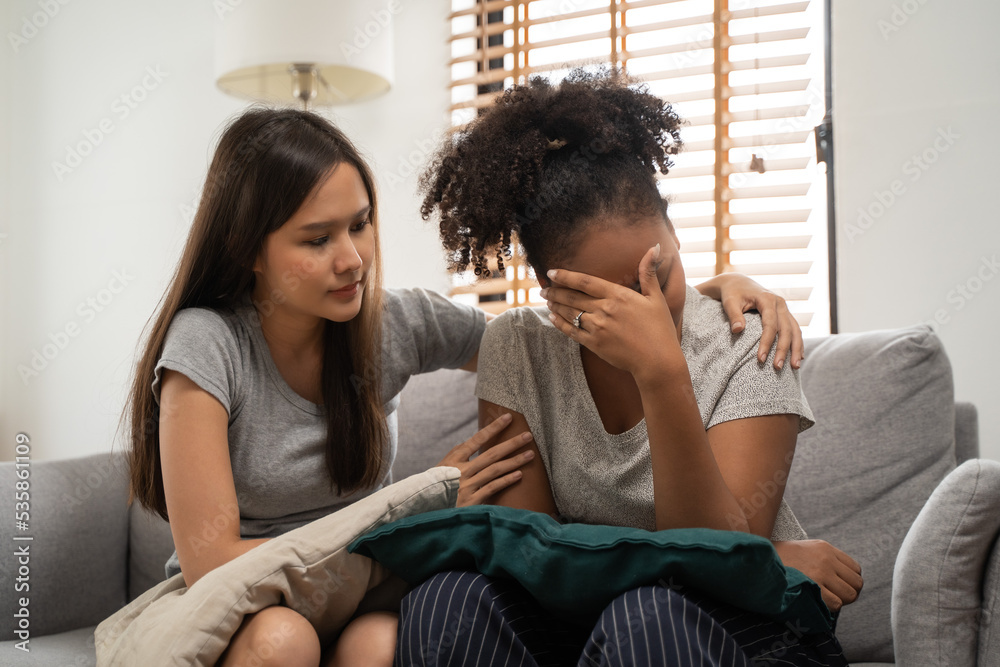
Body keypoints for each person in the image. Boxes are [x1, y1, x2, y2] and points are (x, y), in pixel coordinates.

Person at [122, 106, 811, 666]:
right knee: (372, 619)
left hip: (369, 593)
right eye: (316, 238)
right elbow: (212, 558)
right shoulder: (209, 342)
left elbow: (720, 557)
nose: (352, 258)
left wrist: (691, 315)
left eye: (361, 225)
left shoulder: (394, 322)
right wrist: (419, 505)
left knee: (384, 640)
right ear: (250, 248)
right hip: (247, 595)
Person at [399, 68, 863, 666]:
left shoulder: (750, 339)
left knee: (647, 616)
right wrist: (765, 551)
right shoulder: (517, 346)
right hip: (587, 621)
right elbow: (532, 555)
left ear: (673, 229)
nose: (644, 310)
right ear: (550, 289)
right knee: (448, 600)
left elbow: (721, 560)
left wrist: (662, 373)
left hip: (748, 630)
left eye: (658, 273)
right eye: (609, 294)